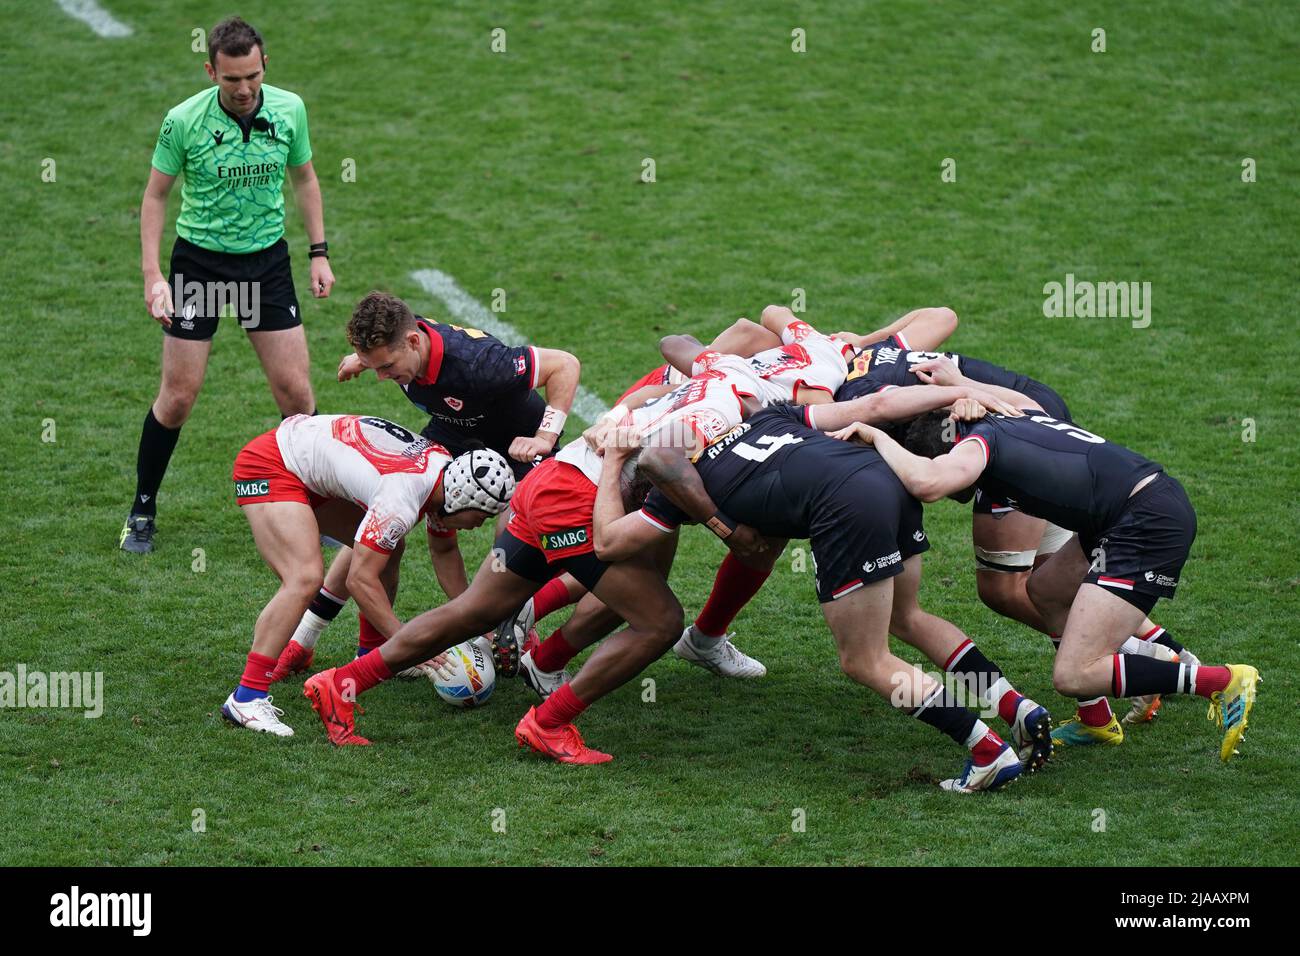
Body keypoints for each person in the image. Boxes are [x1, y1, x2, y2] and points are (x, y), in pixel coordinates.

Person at [593, 404, 1034, 791]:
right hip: (883, 477)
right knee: (908, 616)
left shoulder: (681, 490)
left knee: (866, 660)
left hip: (846, 507)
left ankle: (986, 749)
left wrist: (614, 464)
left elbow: (608, 545)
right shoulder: (768, 417)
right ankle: (1015, 707)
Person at [839, 408, 1259, 762]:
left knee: (1074, 674)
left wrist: (877, 436)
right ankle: (1097, 723)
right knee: (1045, 591)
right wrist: (964, 388)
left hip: (1144, 523)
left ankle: (1220, 681)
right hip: (1120, 514)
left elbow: (928, 483)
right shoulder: (1009, 414)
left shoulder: (974, 447)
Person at [270, 291, 581, 680]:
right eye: (375, 367)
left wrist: (544, 439)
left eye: (386, 367)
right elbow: (394, 333)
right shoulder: (402, 340)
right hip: (454, 431)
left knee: (517, 531)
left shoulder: (478, 364)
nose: (383, 376)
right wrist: (361, 363)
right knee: (378, 523)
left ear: (414, 343)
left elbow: (565, 365)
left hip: (519, 443)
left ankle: (511, 623)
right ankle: (304, 639)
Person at [123, 16, 334, 554]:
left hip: (266, 267)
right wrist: (154, 277)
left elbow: (305, 178)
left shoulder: (290, 109)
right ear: (210, 70)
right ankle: (142, 509)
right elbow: (155, 197)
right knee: (178, 397)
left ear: (265, 66)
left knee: (298, 396)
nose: (243, 90)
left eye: (252, 78)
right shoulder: (183, 121)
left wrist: (318, 253)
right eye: (231, 79)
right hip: (200, 267)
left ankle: (320, 510)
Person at [222, 413, 513, 736]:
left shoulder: (444, 475)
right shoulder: (402, 498)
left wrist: (480, 621)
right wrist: (408, 643)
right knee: (304, 577)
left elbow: (444, 553)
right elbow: (359, 580)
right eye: (482, 515)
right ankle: (246, 697)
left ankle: (371, 652)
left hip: (304, 462)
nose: (479, 525)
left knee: (390, 550)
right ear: (463, 500)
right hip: (271, 464)